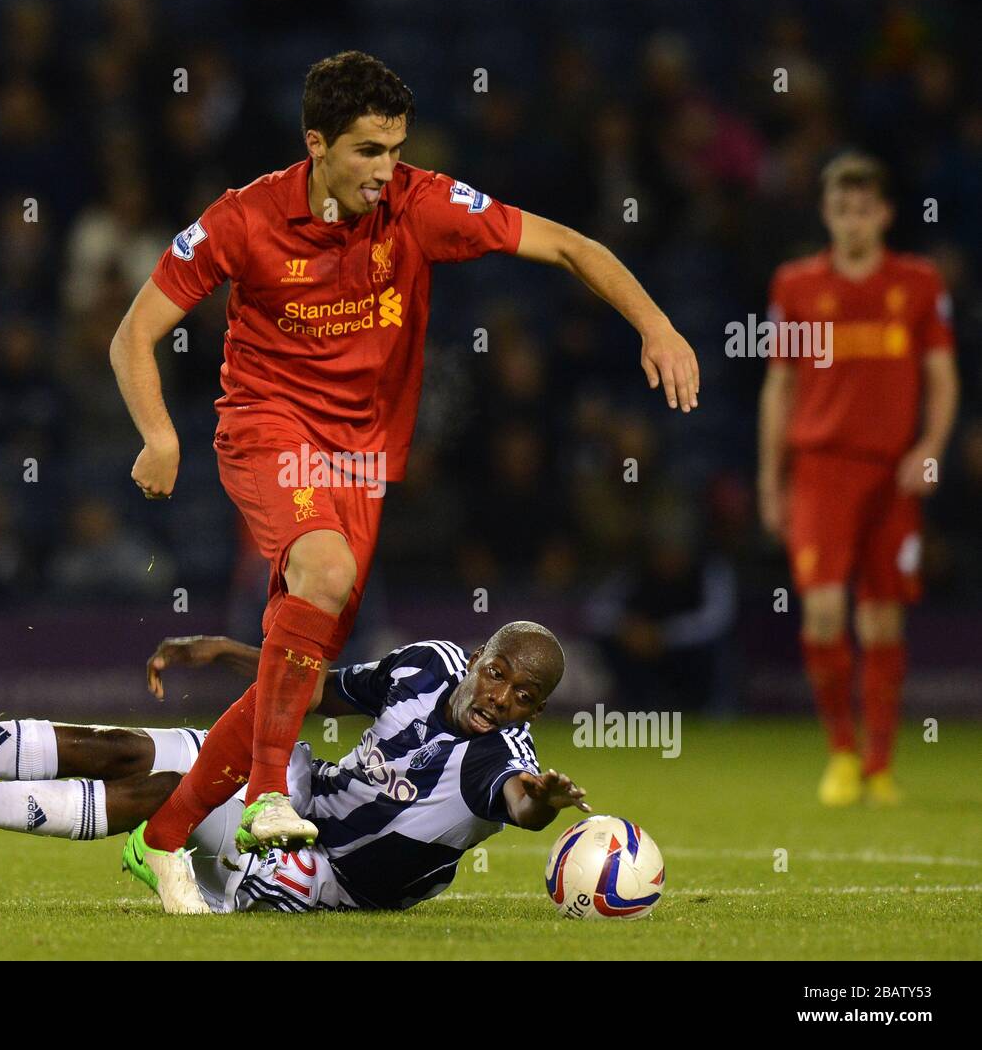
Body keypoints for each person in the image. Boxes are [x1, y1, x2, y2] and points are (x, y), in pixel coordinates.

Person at [110, 50, 696, 911]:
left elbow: (566, 245)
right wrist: (159, 435)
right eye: (366, 152)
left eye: (394, 149)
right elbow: (134, 333)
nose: (386, 171)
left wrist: (657, 324)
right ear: (316, 144)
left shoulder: (420, 204)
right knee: (326, 575)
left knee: (297, 673)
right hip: (265, 428)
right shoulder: (243, 219)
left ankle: (158, 839)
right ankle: (268, 795)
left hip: (362, 463)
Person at [0, 622, 589, 914]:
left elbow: (516, 800)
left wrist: (543, 805)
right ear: (480, 655)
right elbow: (315, 688)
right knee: (129, 744)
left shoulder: (503, 759)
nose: (502, 698)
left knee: (171, 799)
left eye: (525, 696)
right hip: (298, 791)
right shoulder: (428, 664)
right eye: (498, 674)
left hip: (322, 874)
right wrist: (226, 652)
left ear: (536, 711)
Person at [757, 152, 959, 807]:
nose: (852, 220)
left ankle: (879, 766)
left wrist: (928, 448)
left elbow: (942, 377)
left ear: (884, 213)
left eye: (864, 208)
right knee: (821, 613)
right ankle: (840, 752)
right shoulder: (796, 285)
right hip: (820, 470)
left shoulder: (920, 283)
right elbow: (779, 386)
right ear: (826, 214)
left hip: (891, 472)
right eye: (841, 208)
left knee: (880, 622)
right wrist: (770, 479)